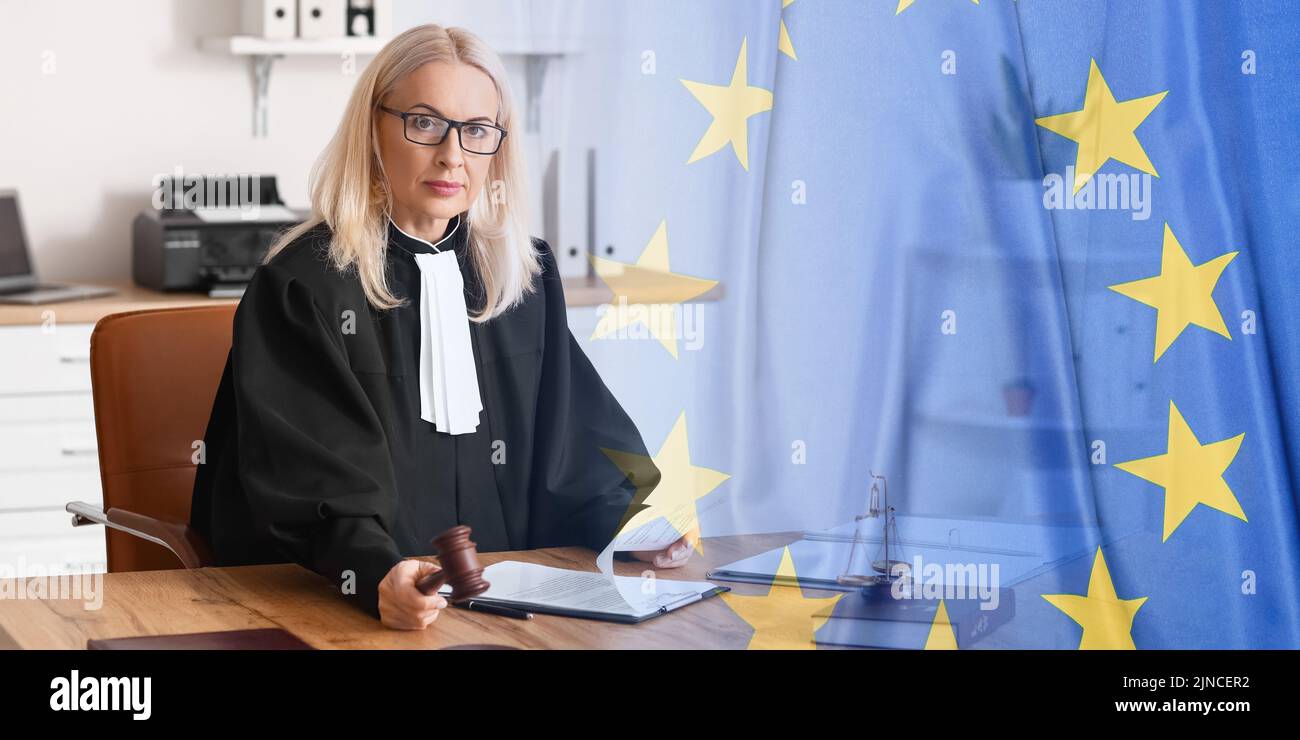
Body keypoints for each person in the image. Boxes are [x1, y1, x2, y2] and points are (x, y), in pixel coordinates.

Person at [191, 24, 691, 630]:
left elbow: (574, 435)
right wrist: (376, 572)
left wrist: (630, 522)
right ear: (373, 129)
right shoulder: (304, 285)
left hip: (507, 612)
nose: (453, 155)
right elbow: (312, 477)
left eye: (477, 130)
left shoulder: (521, 278)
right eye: (425, 123)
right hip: (337, 609)